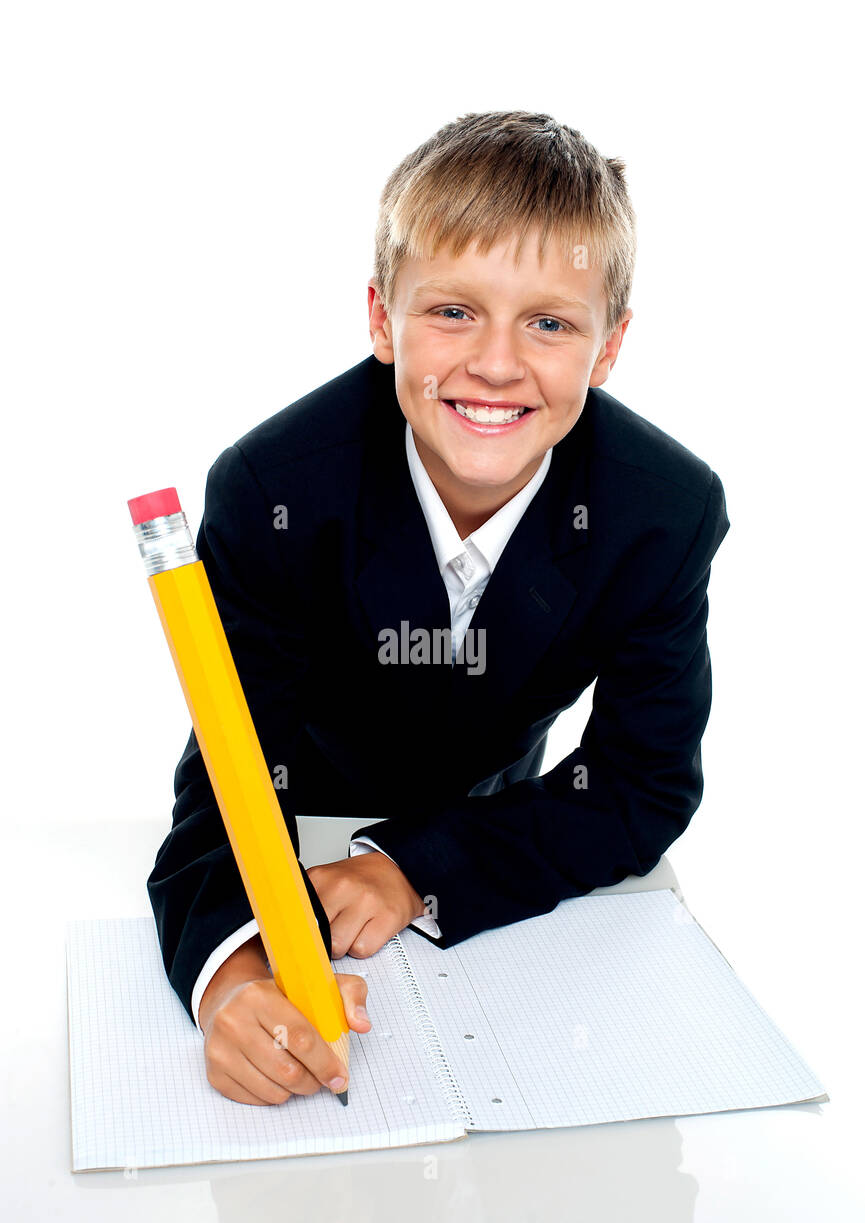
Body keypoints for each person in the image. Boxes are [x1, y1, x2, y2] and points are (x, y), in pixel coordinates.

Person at [147, 110, 730, 1107]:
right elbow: (226, 783)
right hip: (303, 808)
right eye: (452, 311)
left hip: (499, 818)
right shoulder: (271, 487)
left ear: (608, 346)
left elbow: (640, 782)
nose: (496, 364)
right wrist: (231, 980)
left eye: (548, 322)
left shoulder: (661, 509)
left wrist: (415, 866)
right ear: (380, 319)